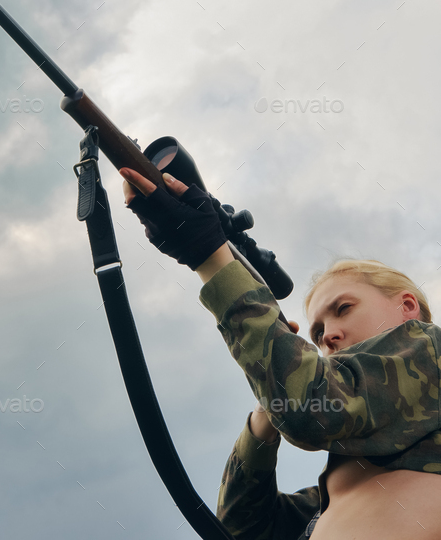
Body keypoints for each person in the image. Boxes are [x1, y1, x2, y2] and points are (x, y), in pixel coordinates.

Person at [119, 166, 441, 540]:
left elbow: (315, 407)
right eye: (316, 333)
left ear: (406, 306)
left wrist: (209, 255)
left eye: (344, 308)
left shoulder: (428, 347)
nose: (329, 336)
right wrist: (267, 410)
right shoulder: (346, 486)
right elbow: (244, 529)